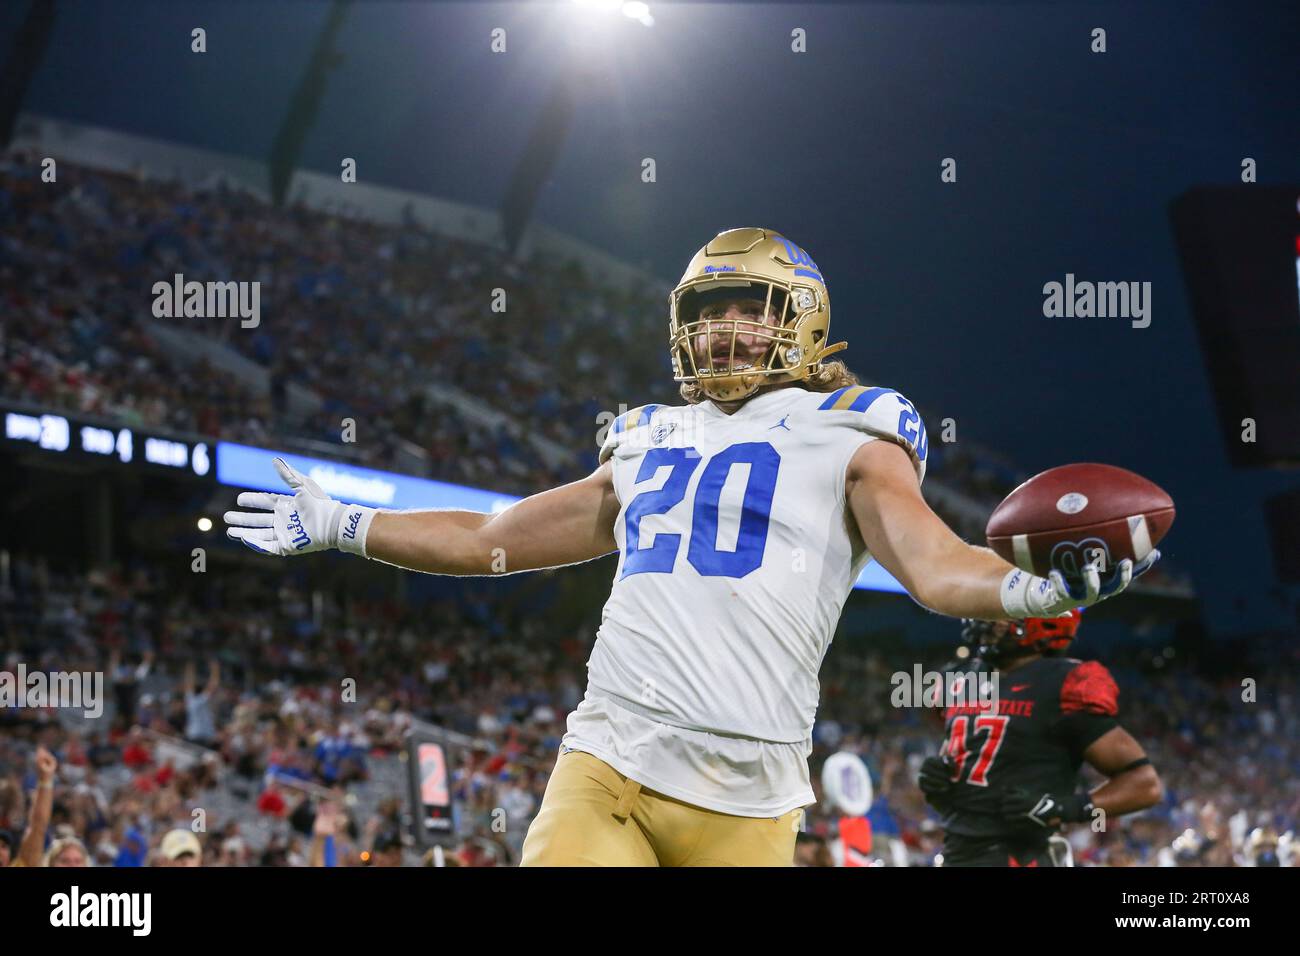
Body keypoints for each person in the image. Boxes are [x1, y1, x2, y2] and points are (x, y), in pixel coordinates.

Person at [225, 227, 1157, 866]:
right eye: (706, 310)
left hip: (752, 796)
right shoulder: (644, 437)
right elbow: (490, 538)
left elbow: (937, 566)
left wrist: (1037, 593)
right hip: (613, 761)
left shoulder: (855, 432)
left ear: (801, 316)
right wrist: (347, 522)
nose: (722, 328)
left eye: (748, 306)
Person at [917, 612, 1163, 866]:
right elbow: (981, 770)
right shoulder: (962, 677)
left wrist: (1063, 809)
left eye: (1003, 613)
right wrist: (941, 785)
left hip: (1018, 857)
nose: (988, 618)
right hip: (957, 854)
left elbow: (1145, 785)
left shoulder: (1061, 682)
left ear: (1043, 620)